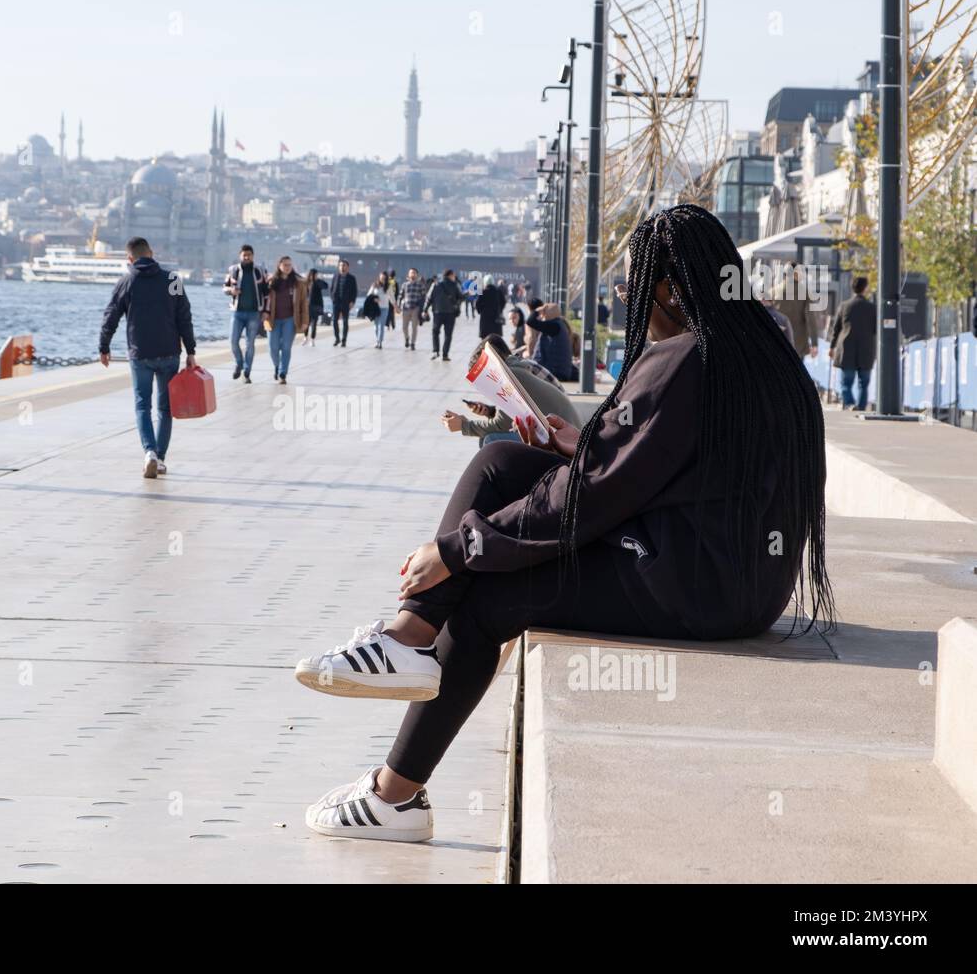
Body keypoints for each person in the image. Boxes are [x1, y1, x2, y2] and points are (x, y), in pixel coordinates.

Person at [292, 204, 834, 841]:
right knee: (501, 463)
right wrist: (585, 447)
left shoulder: (685, 359)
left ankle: (395, 789)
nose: (626, 300)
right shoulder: (763, 354)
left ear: (667, 287)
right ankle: (409, 643)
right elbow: (674, 471)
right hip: (739, 582)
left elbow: (593, 499)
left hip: (692, 586)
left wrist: (460, 549)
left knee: (490, 594)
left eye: (630, 287)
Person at [100, 237, 197, 478]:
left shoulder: (127, 281)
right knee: (165, 408)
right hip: (169, 353)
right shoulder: (172, 279)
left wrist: (104, 346)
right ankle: (161, 458)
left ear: (129, 259)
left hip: (140, 353)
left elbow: (111, 315)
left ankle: (149, 452)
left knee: (142, 404)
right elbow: (184, 315)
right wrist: (191, 350)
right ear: (151, 253)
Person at [441, 335, 580, 447]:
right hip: (566, 434)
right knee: (490, 439)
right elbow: (513, 418)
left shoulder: (511, 376)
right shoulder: (518, 368)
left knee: (491, 441)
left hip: (565, 440)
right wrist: (490, 411)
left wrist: (464, 425)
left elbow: (501, 425)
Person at [830, 276, 876, 411]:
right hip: (866, 349)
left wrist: (832, 346)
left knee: (846, 383)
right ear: (865, 288)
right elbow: (875, 329)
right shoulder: (872, 308)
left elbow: (836, 328)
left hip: (846, 349)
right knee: (864, 382)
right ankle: (861, 406)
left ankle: (850, 404)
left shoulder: (844, 306)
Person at [223, 245, 268, 383]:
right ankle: (239, 363)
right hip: (237, 313)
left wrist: (266, 311)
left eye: (249, 255)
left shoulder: (260, 271)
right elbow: (224, 288)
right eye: (244, 255)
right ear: (240, 256)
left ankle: (247, 372)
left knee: (250, 344)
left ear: (253, 256)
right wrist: (231, 291)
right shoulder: (233, 270)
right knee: (233, 341)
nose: (246, 257)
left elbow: (266, 293)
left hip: (254, 313)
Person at [264, 256, 310, 384]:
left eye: (289, 265)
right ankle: (277, 367)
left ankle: (283, 373)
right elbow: (264, 299)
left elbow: (303, 304)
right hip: (273, 319)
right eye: (285, 265)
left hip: (290, 320)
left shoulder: (298, 283)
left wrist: (305, 321)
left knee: (286, 347)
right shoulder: (271, 281)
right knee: (272, 347)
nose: (287, 267)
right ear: (279, 266)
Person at [774, 267, 821, 358]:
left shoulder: (774, 291)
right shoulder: (806, 293)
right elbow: (810, 319)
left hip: (777, 341)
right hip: (798, 343)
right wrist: (814, 343)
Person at [526, 301, 577, 381]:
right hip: (558, 370)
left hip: (554, 372)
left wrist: (537, 311)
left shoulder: (554, 326)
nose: (542, 314)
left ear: (549, 313)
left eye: (544, 311)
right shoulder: (558, 325)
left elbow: (530, 321)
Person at [425, 269, 462, 361]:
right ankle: (445, 354)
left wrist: (425, 309)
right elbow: (460, 297)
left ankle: (435, 351)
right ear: (451, 275)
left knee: (435, 332)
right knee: (448, 334)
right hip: (450, 314)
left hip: (437, 313)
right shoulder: (455, 285)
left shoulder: (436, 284)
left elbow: (429, 298)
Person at [329, 259, 358, 346]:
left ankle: (344, 340)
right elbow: (331, 289)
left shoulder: (352, 278)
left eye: (344, 265)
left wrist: (352, 301)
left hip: (346, 303)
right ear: (338, 267)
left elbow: (354, 291)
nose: (342, 267)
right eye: (341, 265)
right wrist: (332, 298)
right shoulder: (335, 276)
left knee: (345, 321)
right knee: (334, 321)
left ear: (348, 267)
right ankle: (337, 338)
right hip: (336, 303)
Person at [399, 267, 426, 350]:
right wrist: (399, 306)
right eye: (411, 272)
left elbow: (424, 296)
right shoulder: (404, 285)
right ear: (408, 274)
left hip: (416, 308)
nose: (412, 274)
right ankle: (407, 338)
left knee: (414, 327)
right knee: (404, 327)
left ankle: (413, 343)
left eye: (414, 273)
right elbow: (400, 296)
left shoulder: (420, 285)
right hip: (406, 308)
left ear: (417, 275)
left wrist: (423, 308)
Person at [365, 273, 392, 348]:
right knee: (376, 327)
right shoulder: (375, 285)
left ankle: (380, 342)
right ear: (379, 278)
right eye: (381, 278)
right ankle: (377, 340)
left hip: (385, 308)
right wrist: (374, 299)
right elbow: (368, 295)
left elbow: (392, 298)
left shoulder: (389, 287)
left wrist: (396, 306)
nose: (383, 279)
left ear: (386, 279)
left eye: (384, 278)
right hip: (376, 309)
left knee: (381, 326)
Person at [303, 267, 327, 345]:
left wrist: (321, 280)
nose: (315, 276)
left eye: (316, 274)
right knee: (306, 322)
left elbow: (325, 286)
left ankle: (312, 339)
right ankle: (305, 337)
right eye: (314, 274)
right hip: (307, 306)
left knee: (314, 323)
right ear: (310, 275)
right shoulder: (306, 283)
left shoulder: (318, 282)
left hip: (316, 306)